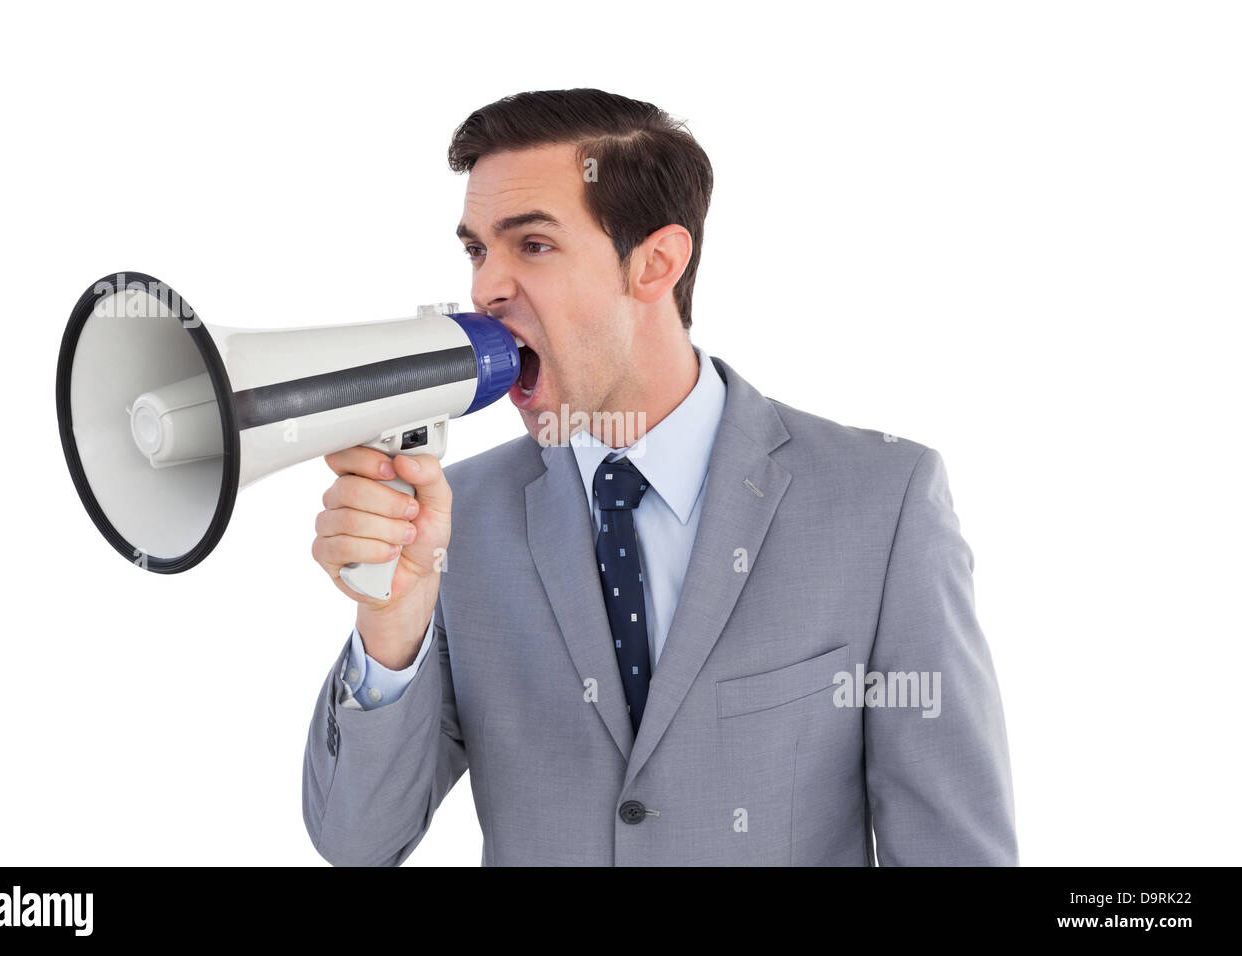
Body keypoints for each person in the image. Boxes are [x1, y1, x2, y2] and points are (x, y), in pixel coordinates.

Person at [302, 88, 1017, 866]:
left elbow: (954, 848)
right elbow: (357, 842)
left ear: (656, 263)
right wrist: (392, 626)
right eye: (477, 249)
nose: (485, 290)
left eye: (532, 245)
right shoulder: (451, 521)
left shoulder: (881, 503)